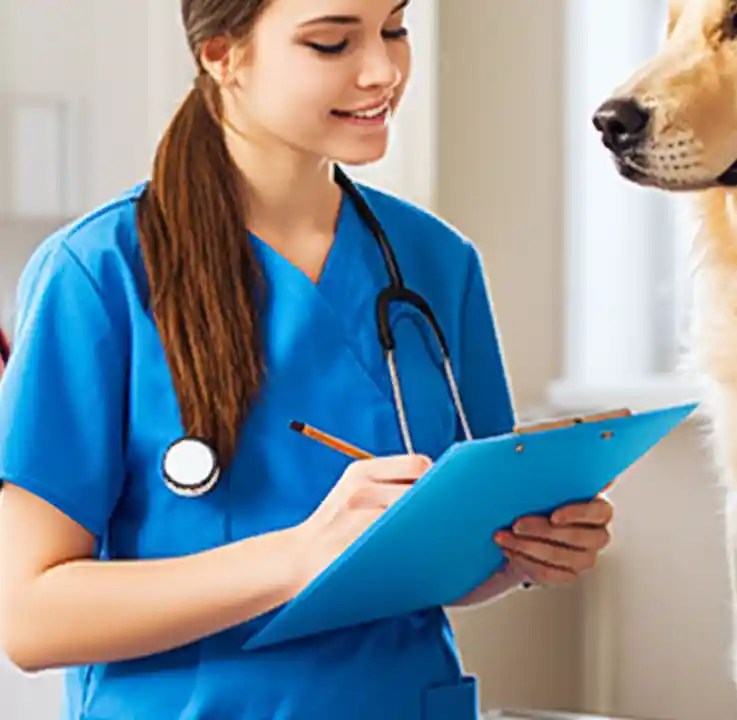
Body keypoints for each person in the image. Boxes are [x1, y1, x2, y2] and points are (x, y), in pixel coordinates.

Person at [0, 0, 614, 717]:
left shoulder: (436, 264)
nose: (382, 71)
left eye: (394, 30)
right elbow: (30, 615)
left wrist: (523, 553)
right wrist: (297, 556)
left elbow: (449, 554)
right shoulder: (98, 273)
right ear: (222, 55)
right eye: (331, 43)